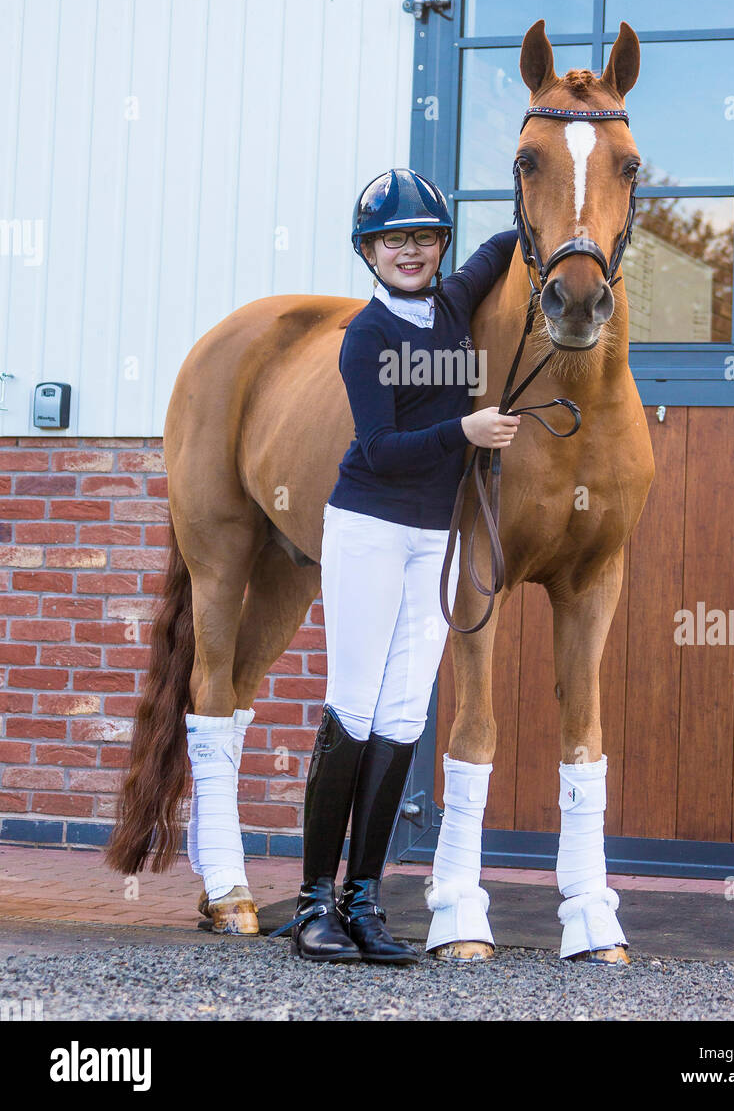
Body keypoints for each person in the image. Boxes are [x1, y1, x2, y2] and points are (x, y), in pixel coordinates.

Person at [286, 167, 519, 963]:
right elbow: (380, 450)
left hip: (436, 537)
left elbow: (514, 240)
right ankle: (316, 901)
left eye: (423, 236)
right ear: (370, 253)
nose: (411, 251)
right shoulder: (368, 335)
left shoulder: (454, 304)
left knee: (405, 715)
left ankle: (364, 898)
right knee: (354, 703)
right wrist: (469, 432)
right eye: (394, 240)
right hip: (369, 528)